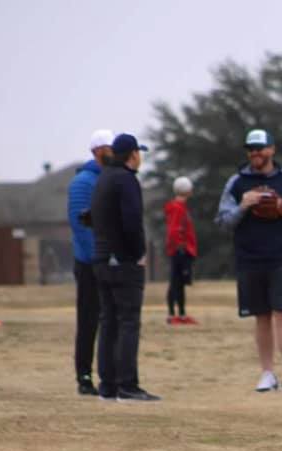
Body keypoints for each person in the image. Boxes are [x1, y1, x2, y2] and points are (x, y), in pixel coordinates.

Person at [216, 129, 282, 393]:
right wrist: (244, 205)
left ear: (272, 150)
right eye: (250, 149)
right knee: (261, 316)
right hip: (249, 258)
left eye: (260, 148)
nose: (255, 153)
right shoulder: (236, 183)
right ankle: (267, 374)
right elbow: (223, 222)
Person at [90, 133, 160, 402]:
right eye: (138, 153)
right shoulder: (126, 180)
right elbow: (132, 221)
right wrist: (137, 253)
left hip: (101, 258)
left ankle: (107, 386)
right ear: (132, 154)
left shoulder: (104, 178)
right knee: (128, 322)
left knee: (108, 322)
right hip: (122, 262)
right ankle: (128, 386)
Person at [67, 129, 113, 395]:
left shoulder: (109, 179)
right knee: (88, 320)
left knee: (108, 319)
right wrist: (97, 257)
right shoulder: (84, 182)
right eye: (108, 149)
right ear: (97, 151)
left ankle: (108, 372)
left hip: (107, 259)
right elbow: (80, 224)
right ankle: (83, 375)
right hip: (89, 263)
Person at [164, 176, 199, 325]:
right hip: (180, 251)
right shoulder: (178, 208)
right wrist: (180, 247)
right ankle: (173, 315)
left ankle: (181, 314)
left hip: (181, 250)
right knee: (175, 282)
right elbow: (174, 230)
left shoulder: (179, 207)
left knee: (179, 283)